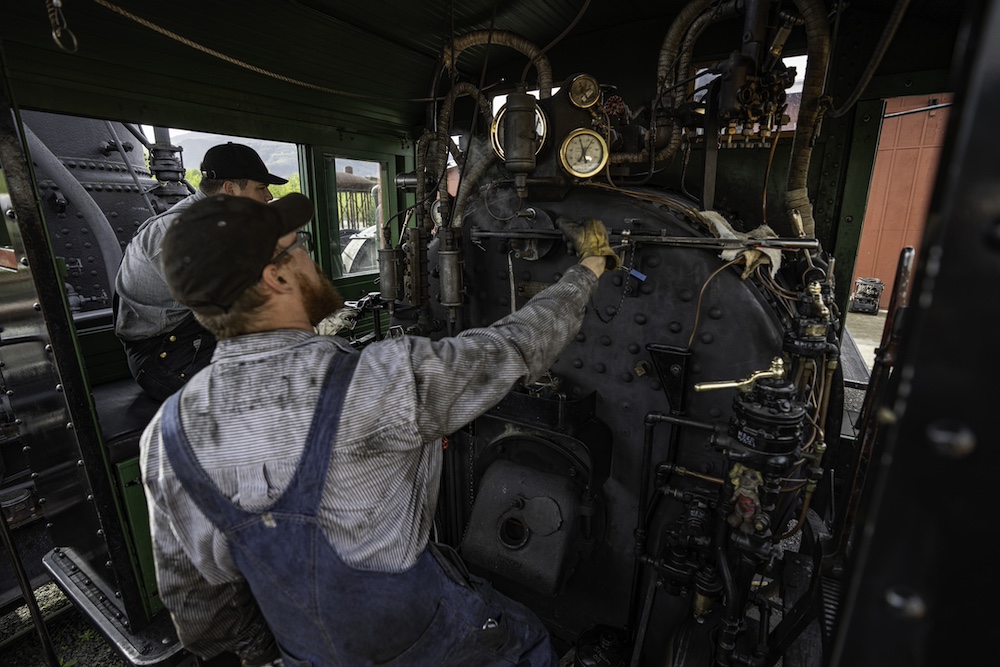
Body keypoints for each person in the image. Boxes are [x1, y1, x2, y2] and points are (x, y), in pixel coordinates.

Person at [139, 191, 618, 666]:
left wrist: (275, 649)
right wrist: (588, 270)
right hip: (417, 633)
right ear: (277, 275)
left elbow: (198, 610)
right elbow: (516, 346)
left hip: (304, 652)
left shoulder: (166, 435)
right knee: (527, 640)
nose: (310, 257)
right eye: (298, 245)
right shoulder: (374, 384)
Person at [114, 142, 288, 401]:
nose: (269, 197)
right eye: (261, 188)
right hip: (167, 356)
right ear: (230, 189)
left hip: (195, 339)